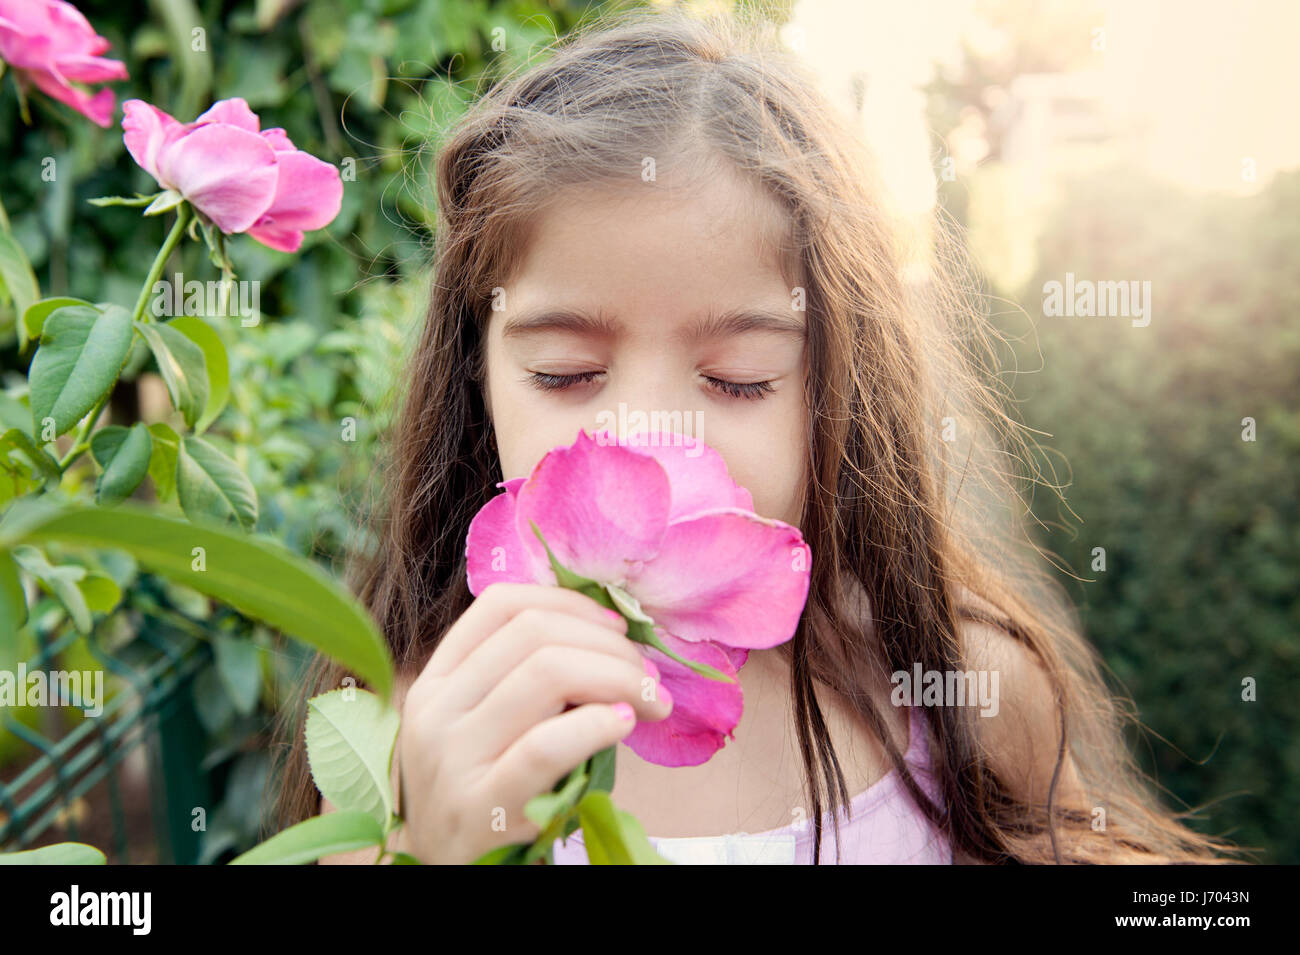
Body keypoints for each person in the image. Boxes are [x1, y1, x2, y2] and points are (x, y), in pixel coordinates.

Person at [272, 6, 1237, 865]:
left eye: (740, 380)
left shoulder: (965, 700)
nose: (647, 436)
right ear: (476, 377)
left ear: (839, 389)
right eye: (565, 374)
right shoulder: (416, 732)